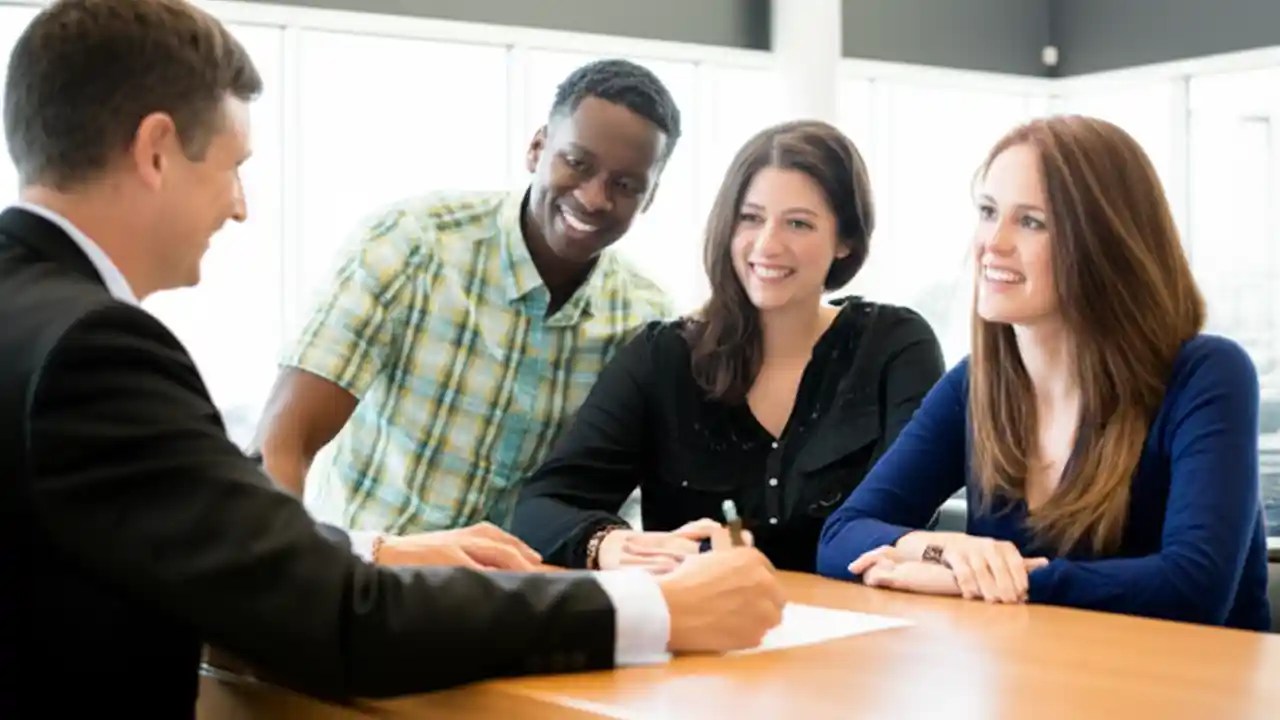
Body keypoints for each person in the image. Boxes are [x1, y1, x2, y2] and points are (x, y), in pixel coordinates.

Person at [0, 2, 784, 716]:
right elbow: (329, 612)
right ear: (157, 150)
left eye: (626, 184)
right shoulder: (99, 354)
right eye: (232, 165)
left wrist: (375, 549)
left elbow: (185, 531)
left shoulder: (33, 315)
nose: (240, 205)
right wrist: (659, 609)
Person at [815, 115, 1271, 631]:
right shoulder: (976, 386)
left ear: (1105, 243)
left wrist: (1008, 582)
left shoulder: (1207, 375)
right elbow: (840, 537)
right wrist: (939, 549)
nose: (993, 242)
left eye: (1031, 221)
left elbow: (1194, 587)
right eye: (988, 212)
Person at [252, 56, 678, 542]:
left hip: (530, 603)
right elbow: (281, 444)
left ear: (650, 197)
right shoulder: (413, 245)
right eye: (577, 163)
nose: (594, 198)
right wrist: (287, 569)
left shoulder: (645, 320)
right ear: (537, 149)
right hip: (375, 585)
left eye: (626, 185)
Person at [511, 120, 945, 573]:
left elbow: (905, 517)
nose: (767, 244)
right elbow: (542, 507)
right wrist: (608, 543)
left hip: (866, 631)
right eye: (750, 218)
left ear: (845, 240)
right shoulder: (663, 358)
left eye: (798, 223)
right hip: (705, 632)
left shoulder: (895, 348)